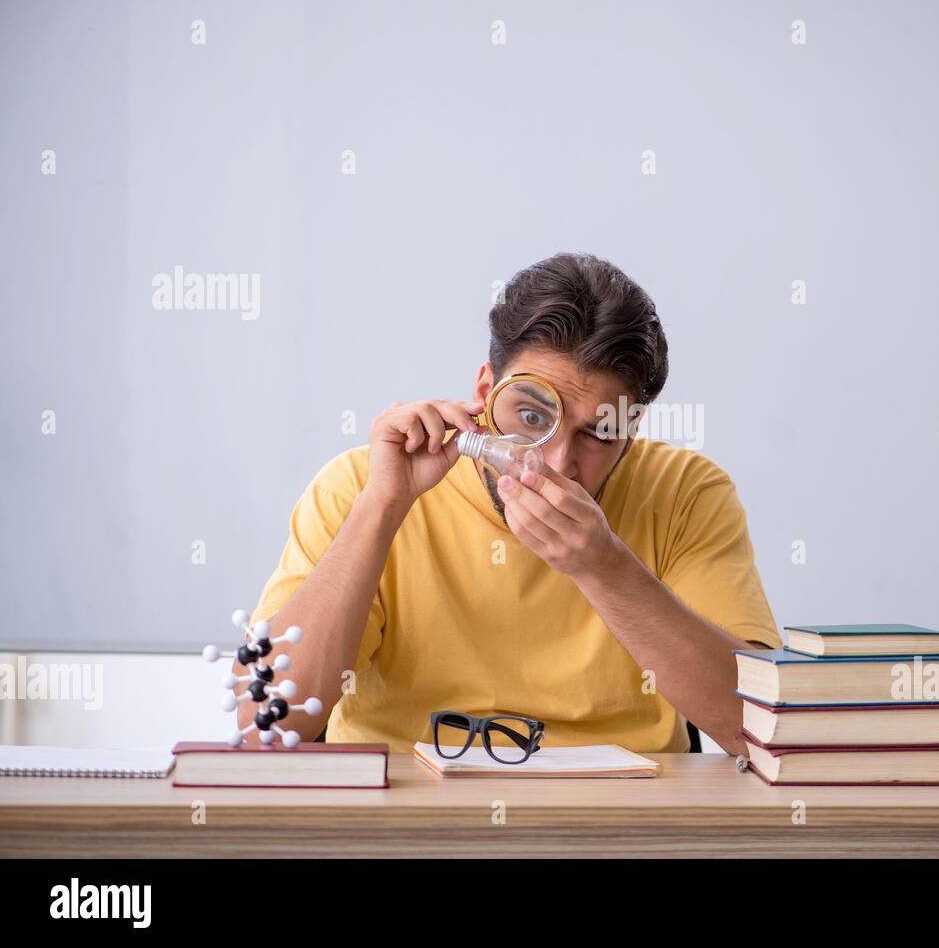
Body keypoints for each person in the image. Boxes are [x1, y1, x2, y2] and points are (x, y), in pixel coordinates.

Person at [243, 252, 779, 755]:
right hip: (407, 826)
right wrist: (382, 508)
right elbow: (265, 724)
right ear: (484, 393)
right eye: (530, 416)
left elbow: (763, 728)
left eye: (597, 435)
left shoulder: (687, 494)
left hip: (615, 825)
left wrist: (603, 567)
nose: (554, 462)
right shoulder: (362, 485)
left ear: (631, 434)